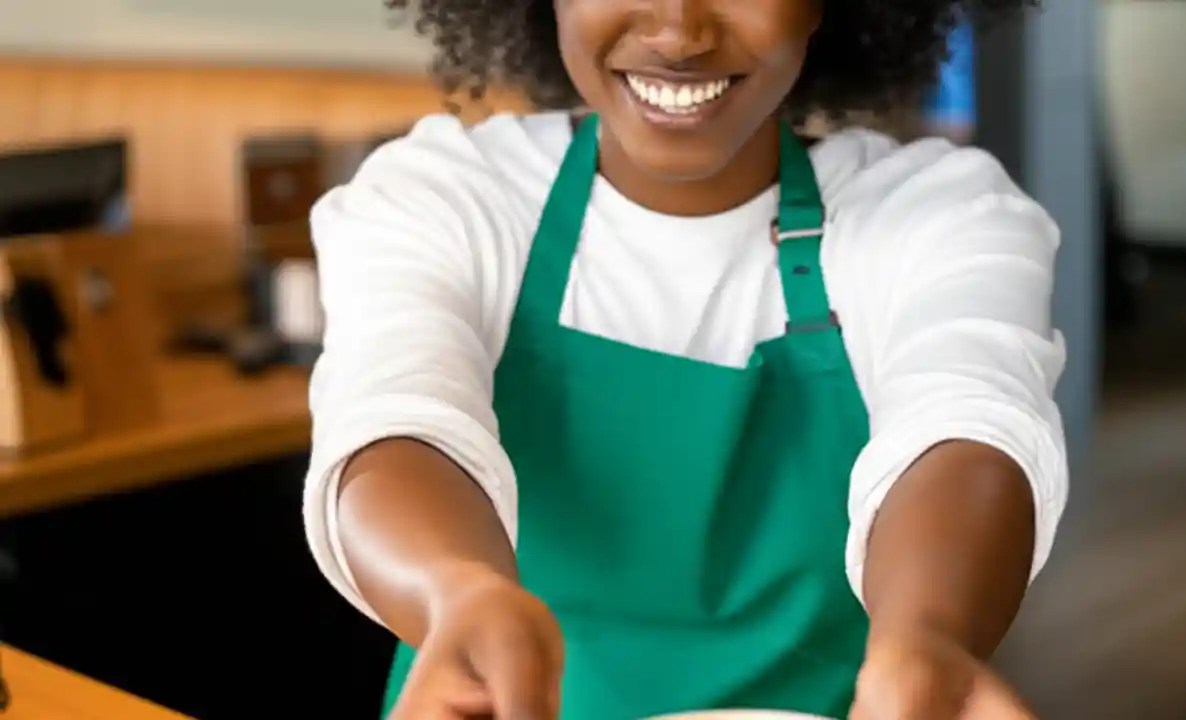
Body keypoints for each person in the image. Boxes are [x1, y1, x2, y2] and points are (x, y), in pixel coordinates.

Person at [303, 1, 1068, 718]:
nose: (678, 30)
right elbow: (390, 417)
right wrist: (454, 594)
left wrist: (927, 635)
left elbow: (968, 422)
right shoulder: (444, 194)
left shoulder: (935, 214)